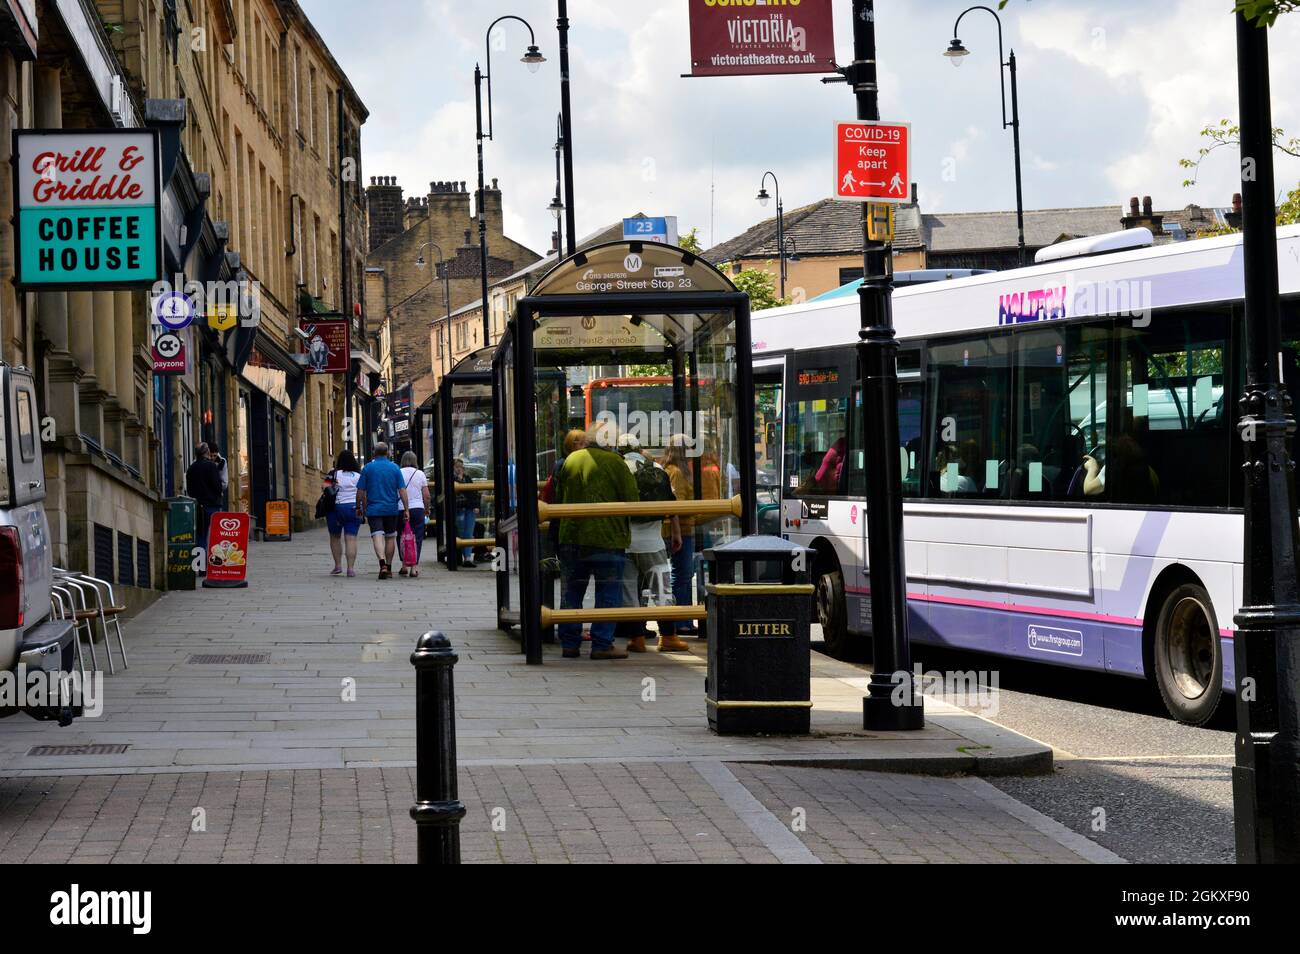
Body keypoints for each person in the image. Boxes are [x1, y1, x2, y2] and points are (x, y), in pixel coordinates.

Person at [555, 422, 639, 660]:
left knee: (572, 591)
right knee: (608, 592)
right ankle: (602, 644)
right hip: (607, 538)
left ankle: (569, 644)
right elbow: (633, 499)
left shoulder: (571, 460)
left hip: (572, 536)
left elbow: (560, 496)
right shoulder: (615, 463)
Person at [615, 435, 688, 654]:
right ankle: (668, 637)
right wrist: (676, 532)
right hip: (654, 543)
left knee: (630, 592)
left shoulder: (618, 469)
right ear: (640, 449)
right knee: (662, 590)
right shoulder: (656, 467)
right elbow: (671, 503)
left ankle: (637, 639)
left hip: (625, 543)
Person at [659, 434, 701, 638]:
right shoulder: (676, 472)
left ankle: (683, 620)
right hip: (680, 529)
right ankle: (681, 621)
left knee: (683, 574)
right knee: (682, 575)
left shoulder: (671, 470)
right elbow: (677, 504)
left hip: (679, 528)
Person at [356, 442, 409, 580]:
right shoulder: (395, 468)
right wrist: (406, 509)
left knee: (377, 535)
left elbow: (361, 491)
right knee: (390, 537)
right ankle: (389, 567)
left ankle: (382, 564)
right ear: (388, 452)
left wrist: (358, 507)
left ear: (374, 453)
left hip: (374, 509)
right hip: (391, 509)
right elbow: (402, 490)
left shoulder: (368, 468)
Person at [185, 442, 223, 564]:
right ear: (207, 452)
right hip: (212, 506)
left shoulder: (191, 468)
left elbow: (189, 490)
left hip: (197, 506)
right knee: (215, 537)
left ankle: (201, 567)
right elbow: (218, 487)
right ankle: (215, 565)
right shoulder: (211, 466)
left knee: (201, 536)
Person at [326, 449, 362, 577]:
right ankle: (350, 569)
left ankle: (337, 566)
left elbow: (325, 488)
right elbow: (363, 493)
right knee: (351, 538)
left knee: (335, 537)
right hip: (354, 508)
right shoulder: (358, 476)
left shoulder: (333, 473)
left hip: (336, 509)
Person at [398, 451, 431, 578]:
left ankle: (404, 565)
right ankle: (414, 568)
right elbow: (426, 496)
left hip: (401, 508)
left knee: (402, 536)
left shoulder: (398, 472)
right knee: (417, 538)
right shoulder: (420, 473)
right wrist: (427, 509)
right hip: (417, 509)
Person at [452, 458, 481, 567]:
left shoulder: (467, 478)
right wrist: (459, 480)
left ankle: (468, 558)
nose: (459, 469)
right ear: (453, 468)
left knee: (468, 533)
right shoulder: (452, 479)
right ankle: (460, 557)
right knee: (460, 533)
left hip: (469, 509)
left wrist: (476, 506)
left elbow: (474, 493)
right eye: (457, 467)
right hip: (458, 509)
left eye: (461, 467)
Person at [208, 440, 230, 507]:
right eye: (210, 455)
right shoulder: (202, 461)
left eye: (214, 456)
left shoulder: (222, 462)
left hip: (216, 495)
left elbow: (224, 483)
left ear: (217, 454)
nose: (212, 458)